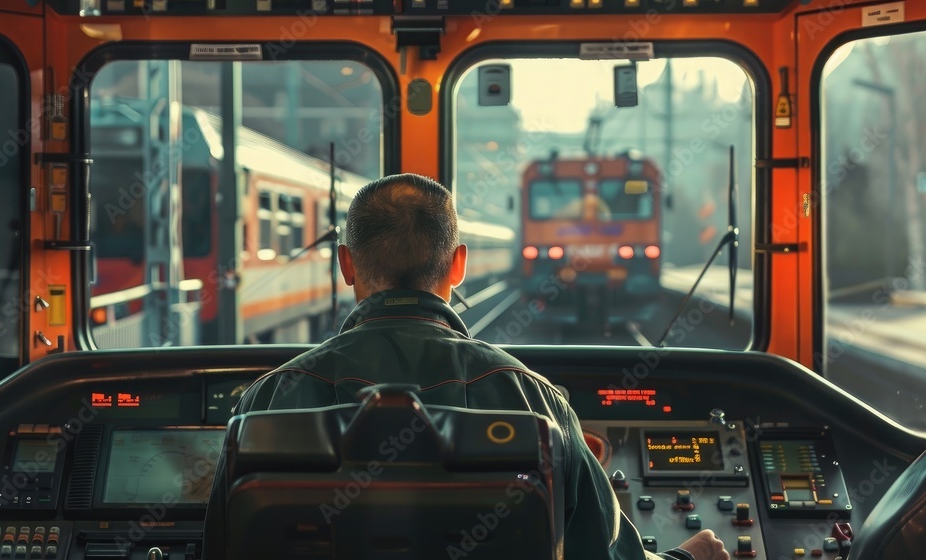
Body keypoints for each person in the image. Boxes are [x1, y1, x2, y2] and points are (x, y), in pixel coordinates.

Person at [203, 173, 729, 560]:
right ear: (458, 265)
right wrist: (687, 558)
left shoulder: (269, 400)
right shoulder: (533, 398)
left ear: (345, 264)